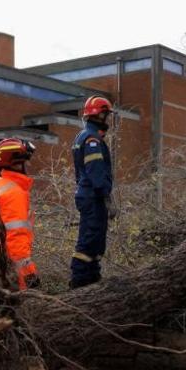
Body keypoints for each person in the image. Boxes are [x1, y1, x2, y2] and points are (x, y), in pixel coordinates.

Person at [0, 137, 40, 290]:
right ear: (17, 164)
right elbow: (15, 239)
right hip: (10, 272)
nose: (28, 166)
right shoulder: (14, 193)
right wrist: (28, 275)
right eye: (26, 162)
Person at [69, 96, 117, 289]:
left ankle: (92, 278)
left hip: (88, 194)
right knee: (89, 240)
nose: (108, 119)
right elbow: (96, 172)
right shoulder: (92, 140)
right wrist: (106, 196)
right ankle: (80, 280)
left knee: (95, 240)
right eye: (106, 115)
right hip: (93, 196)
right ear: (99, 114)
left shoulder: (83, 136)